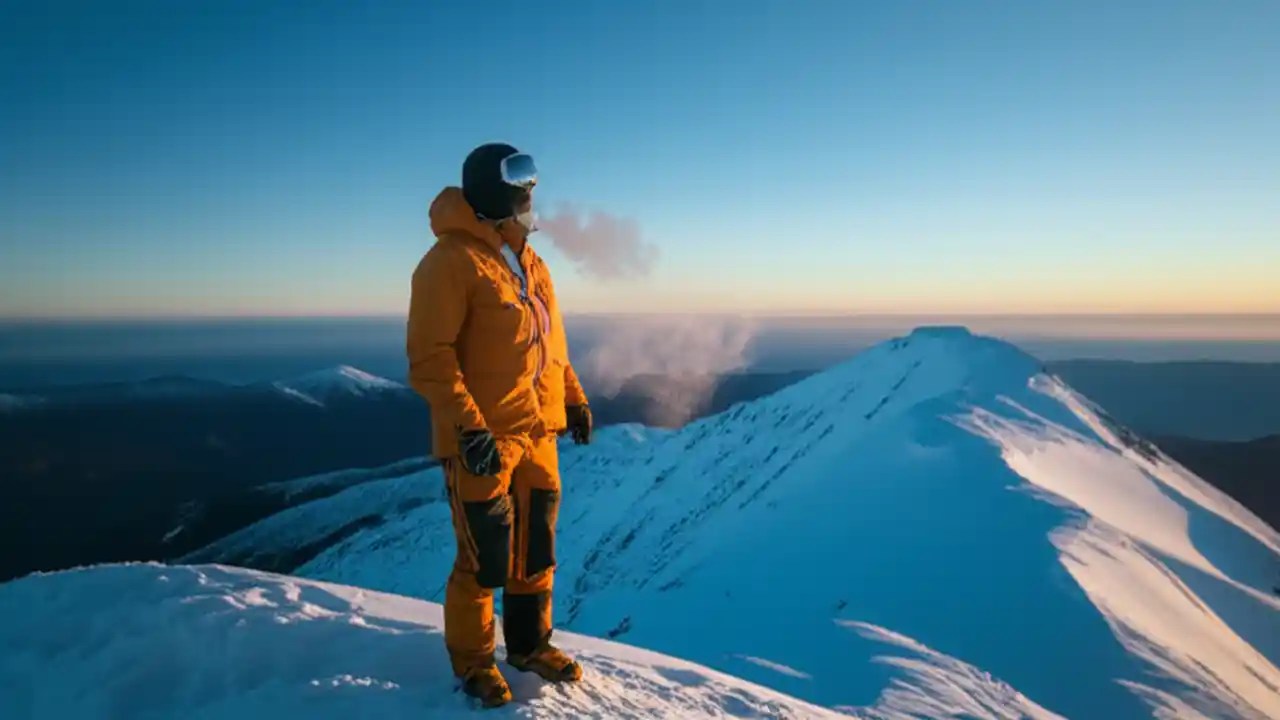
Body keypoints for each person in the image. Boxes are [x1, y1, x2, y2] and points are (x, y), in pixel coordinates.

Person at [407, 143, 594, 708]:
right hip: (483, 440)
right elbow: (430, 358)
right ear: (493, 194)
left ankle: (530, 646)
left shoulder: (531, 264)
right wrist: (469, 427)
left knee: (534, 550)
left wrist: (574, 399)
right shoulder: (450, 262)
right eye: (521, 188)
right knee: (485, 556)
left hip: (537, 434)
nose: (531, 197)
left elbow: (550, 348)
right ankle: (473, 661)